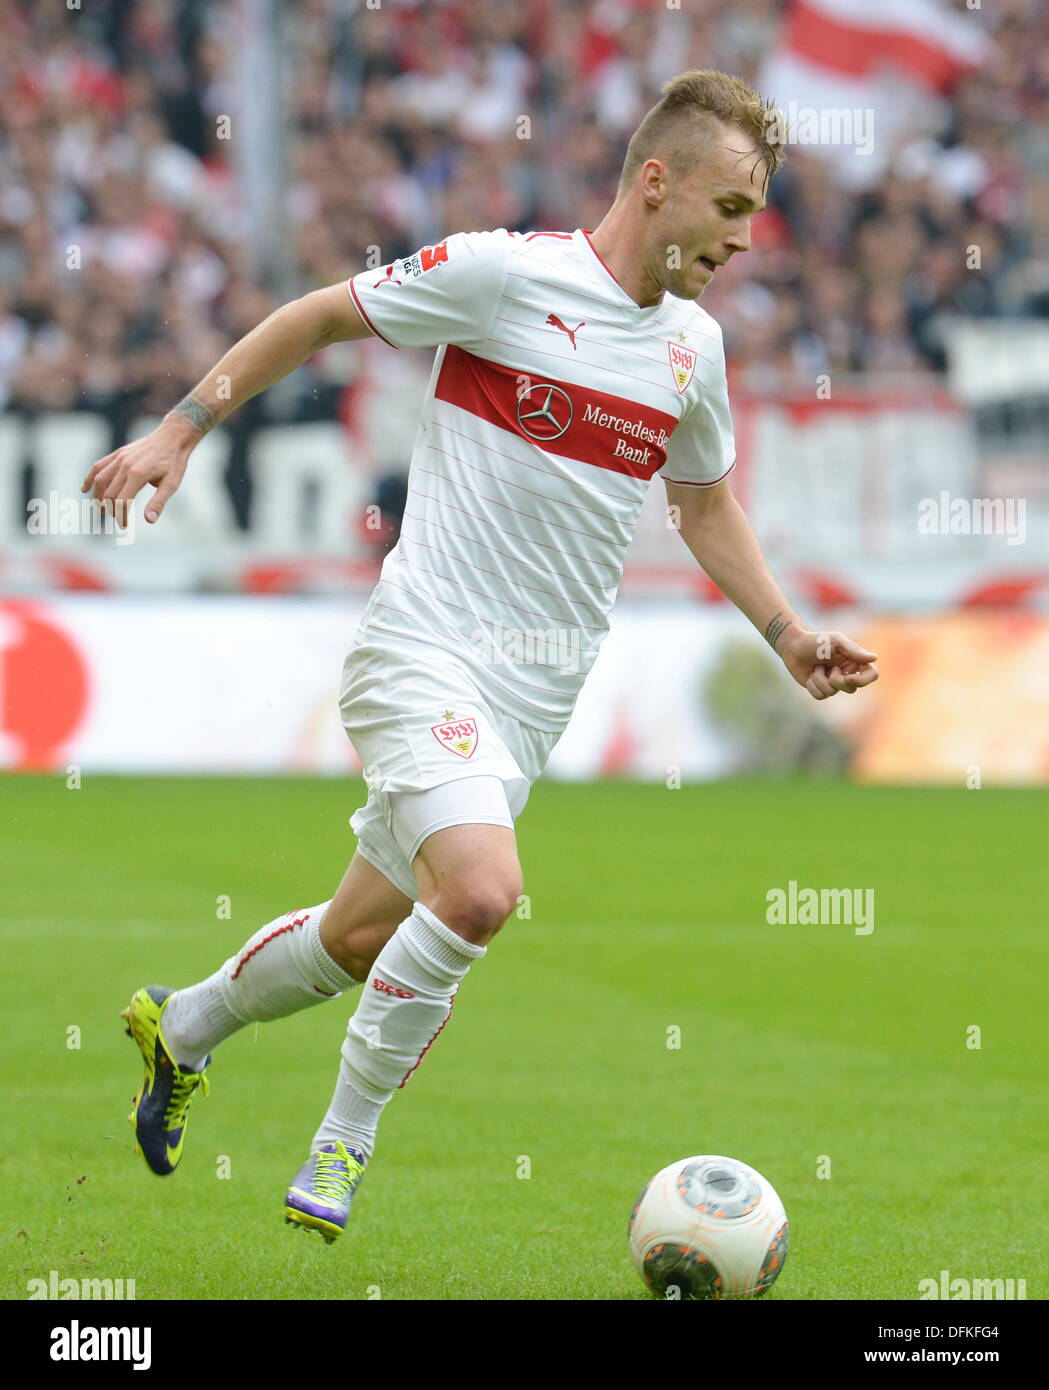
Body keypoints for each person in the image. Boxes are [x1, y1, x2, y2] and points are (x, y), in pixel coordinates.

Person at [83, 70, 879, 1245]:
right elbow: (319, 315)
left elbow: (703, 507)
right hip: (420, 649)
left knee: (360, 935)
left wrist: (788, 635)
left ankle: (182, 1024)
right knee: (480, 891)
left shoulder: (691, 355)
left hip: (528, 704)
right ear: (655, 183)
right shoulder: (506, 275)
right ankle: (339, 1145)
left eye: (753, 217)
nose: (745, 241)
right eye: (731, 207)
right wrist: (180, 427)